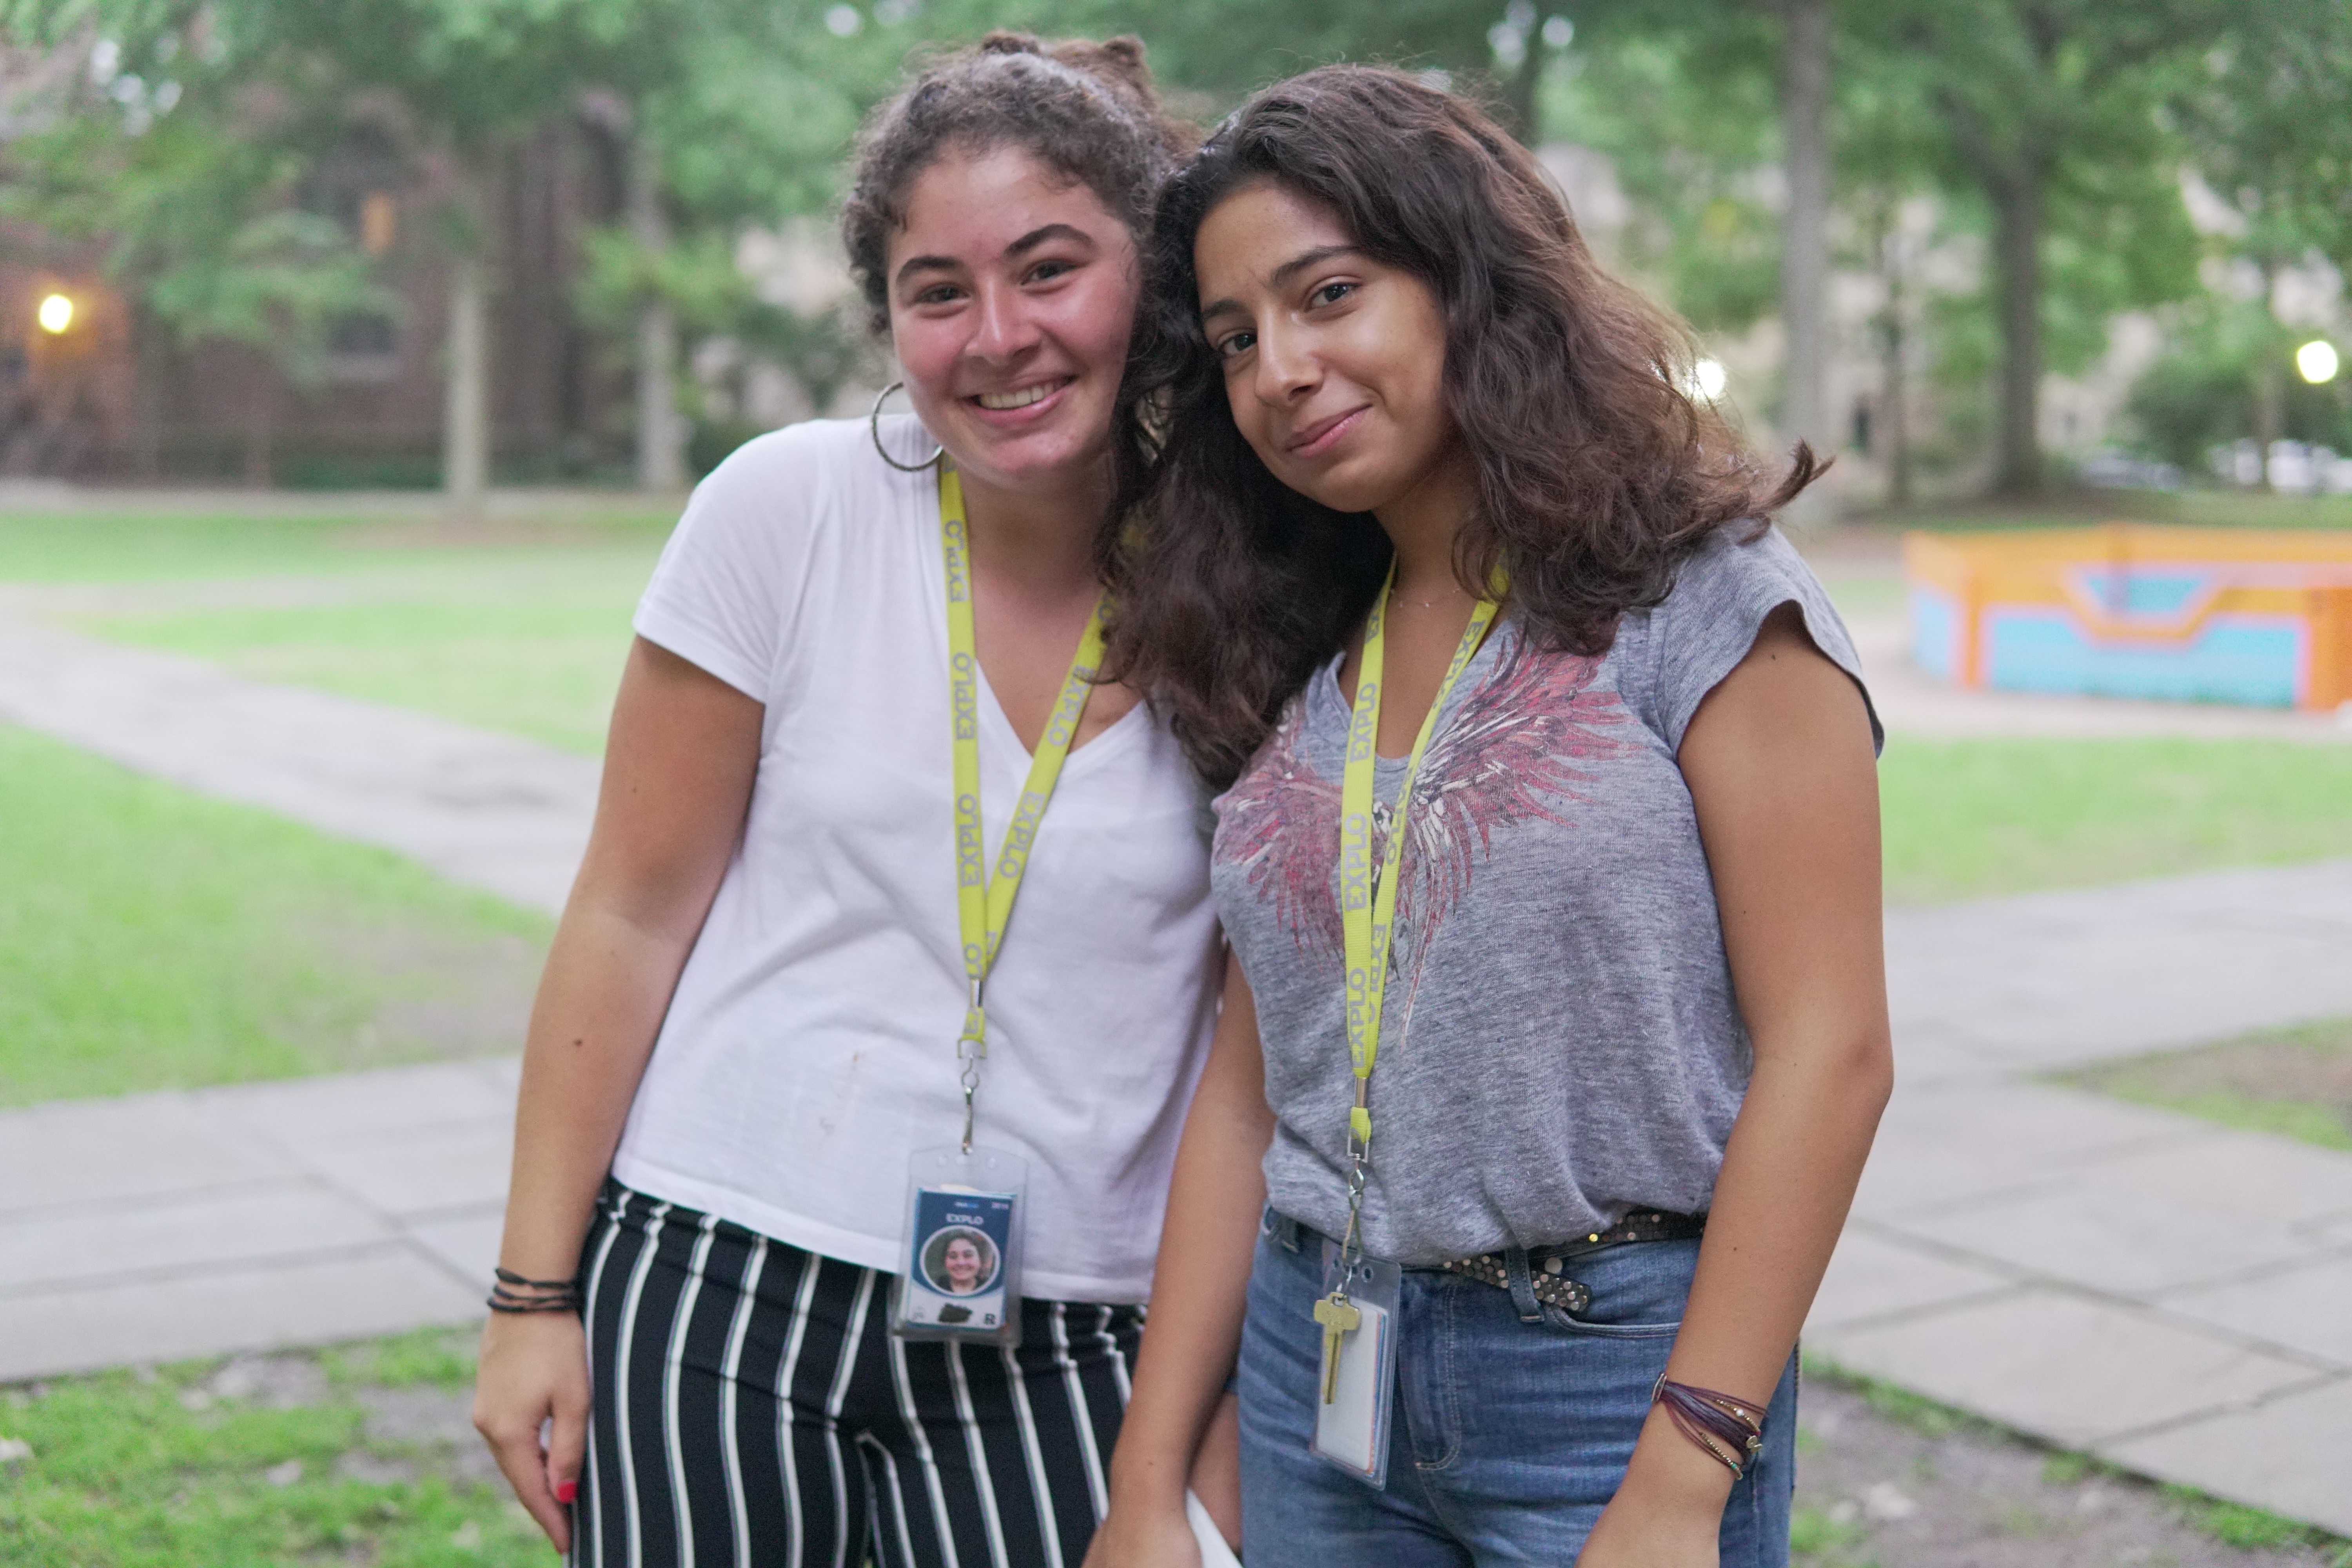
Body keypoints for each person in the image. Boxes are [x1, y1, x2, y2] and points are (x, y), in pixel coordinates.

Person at [1087, 67, 1891, 1568]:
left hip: (1609, 1380)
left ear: (1468, 279)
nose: (1280, 367)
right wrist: (1149, 1476)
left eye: (1329, 293)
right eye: (1235, 338)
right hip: (1315, 1365)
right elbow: (1253, 1091)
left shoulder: (1704, 600)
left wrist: (1682, 1470)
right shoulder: (1297, 641)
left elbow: (1830, 1053)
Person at [470, 35, 1233, 1568]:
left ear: (1149, 274)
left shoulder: (1260, 580)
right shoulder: (787, 510)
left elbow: (1254, 1056)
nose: (997, 335)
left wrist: (1196, 1455)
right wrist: (533, 1298)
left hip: (1079, 1320)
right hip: (716, 1272)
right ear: (889, 318)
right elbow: (630, 908)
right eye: (937, 291)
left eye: (1049, 269)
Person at [936, 1229, 992, 1295]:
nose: (961, 1263)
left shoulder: (991, 1289)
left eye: (968, 1255)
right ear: (945, 1261)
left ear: (980, 1260)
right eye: (953, 1256)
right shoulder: (934, 1288)